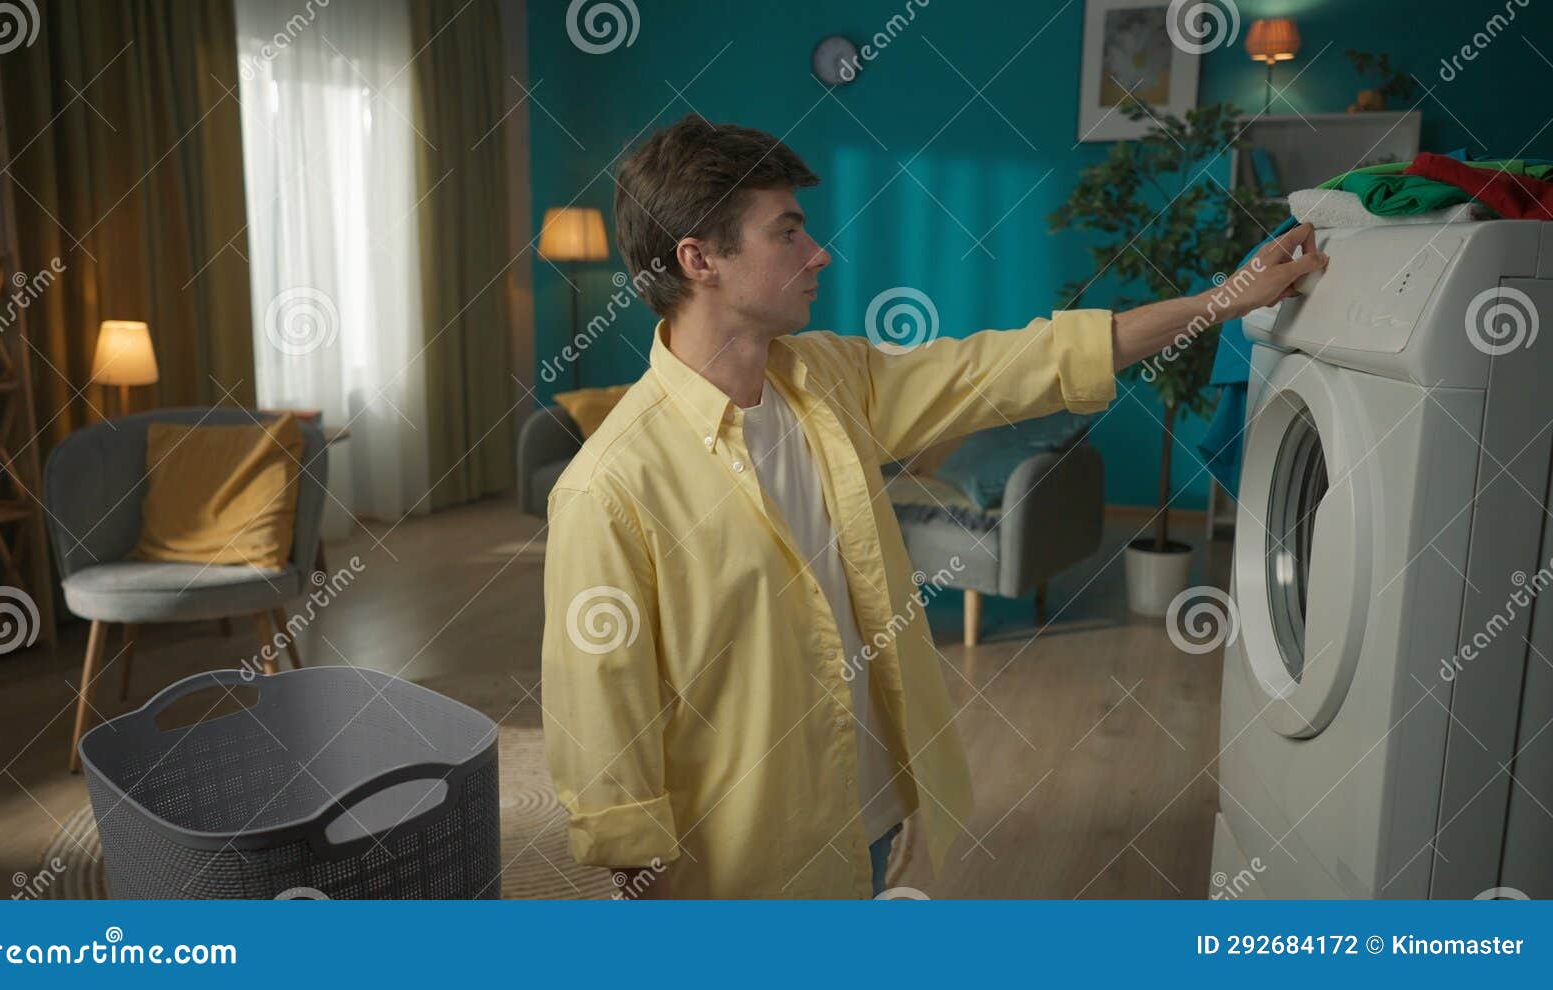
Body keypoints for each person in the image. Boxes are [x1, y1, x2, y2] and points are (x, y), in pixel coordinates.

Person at [540, 114, 1326, 899]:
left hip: (874, 811)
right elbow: (601, 720)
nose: (818, 252)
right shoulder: (610, 487)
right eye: (787, 232)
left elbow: (1023, 361)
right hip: (750, 867)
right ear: (699, 259)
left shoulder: (831, 379)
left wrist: (1224, 299)